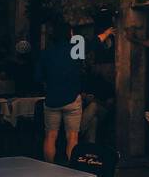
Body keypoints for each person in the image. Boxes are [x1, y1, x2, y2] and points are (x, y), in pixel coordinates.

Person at [36, 20, 84, 163]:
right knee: (72, 136)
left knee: (51, 136)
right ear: (70, 34)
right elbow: (95, 42)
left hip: (52, 99)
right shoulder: (76, 51)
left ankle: (49, 169)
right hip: (72, 98)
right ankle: (70, 169)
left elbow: (38, 77)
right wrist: (106, 33)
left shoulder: (46, 53)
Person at [80, 10, 117, 145]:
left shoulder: (104, 81)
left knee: (95, 107)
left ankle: (76, 133)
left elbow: (110, 103)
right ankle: (90, 149)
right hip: (88, 113)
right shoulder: (87, 77)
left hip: (101, 109)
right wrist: (84, 98)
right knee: (93, 121)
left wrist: (95, 100)